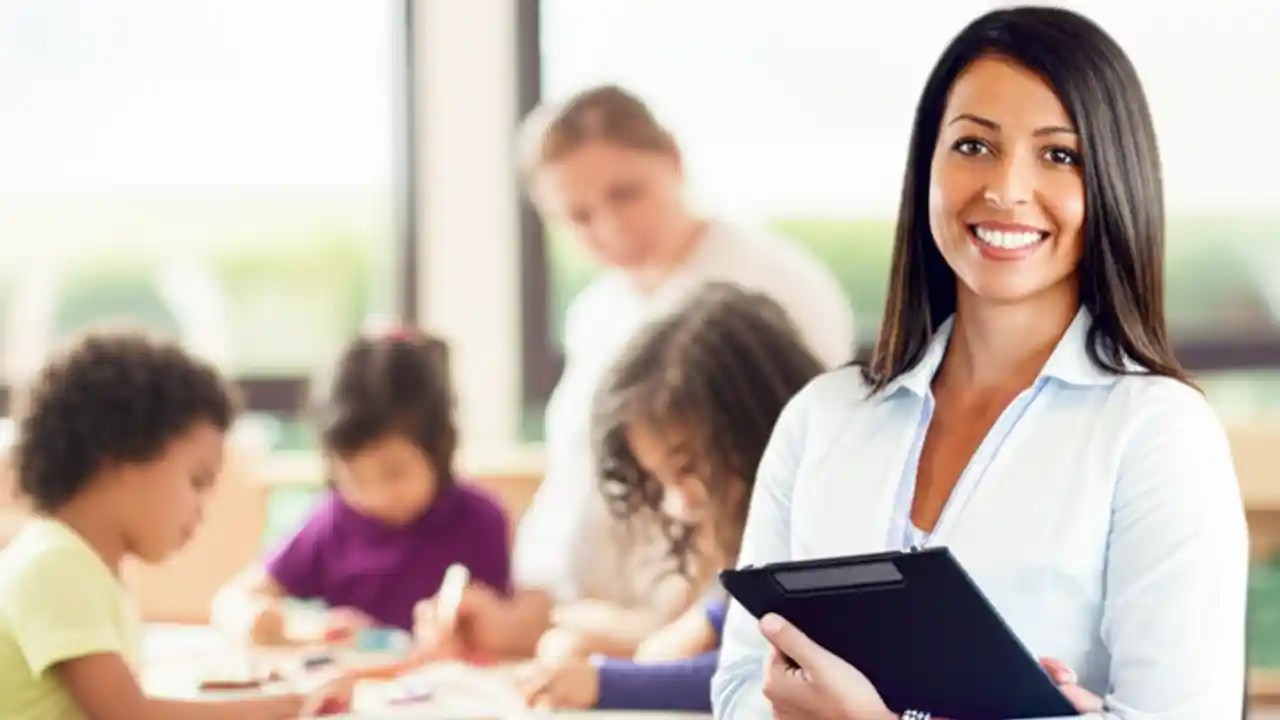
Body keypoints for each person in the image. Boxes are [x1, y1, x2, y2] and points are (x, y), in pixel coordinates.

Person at [713, 7, 1247, 720]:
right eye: (973, 145)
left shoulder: (1156, 432)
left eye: (1059, 155)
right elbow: (738, 691)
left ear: (1115, 181)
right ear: (926, 164)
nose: (1005, 188)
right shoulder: (823, 417)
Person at [415, 83, 856, 661]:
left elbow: (778, 488)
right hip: (622, 623)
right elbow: (575, 479)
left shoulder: (776, 291)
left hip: (722, 630)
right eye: (579, 216)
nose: (610, 227)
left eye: (626, 194)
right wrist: (530, 608)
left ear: (672, 158)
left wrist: (678, 635)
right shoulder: (596, 312)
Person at [0, 332, 346, 718]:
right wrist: (284, 708)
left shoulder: (83, 568)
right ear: (124, 455)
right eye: (197, 481)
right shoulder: (55, 564)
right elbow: (130, 715)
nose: (202, 510)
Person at [519, 283, 824, 712]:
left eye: (687, 469)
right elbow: (690, 643)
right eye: (659, 481)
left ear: (755, 429)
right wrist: (709, 619)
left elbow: (759, 673)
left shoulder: (824, 521)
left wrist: (605, 683)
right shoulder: (751, 553)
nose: (677, 503)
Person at [214, 329, 510, 643]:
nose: (376, 496)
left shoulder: (480, 520)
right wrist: (279, 622)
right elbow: (232, 600)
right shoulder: (332, 523)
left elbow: (505, 632)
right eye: (354, 477)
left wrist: (481, 628)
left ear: (438, 449)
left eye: (395, 472)